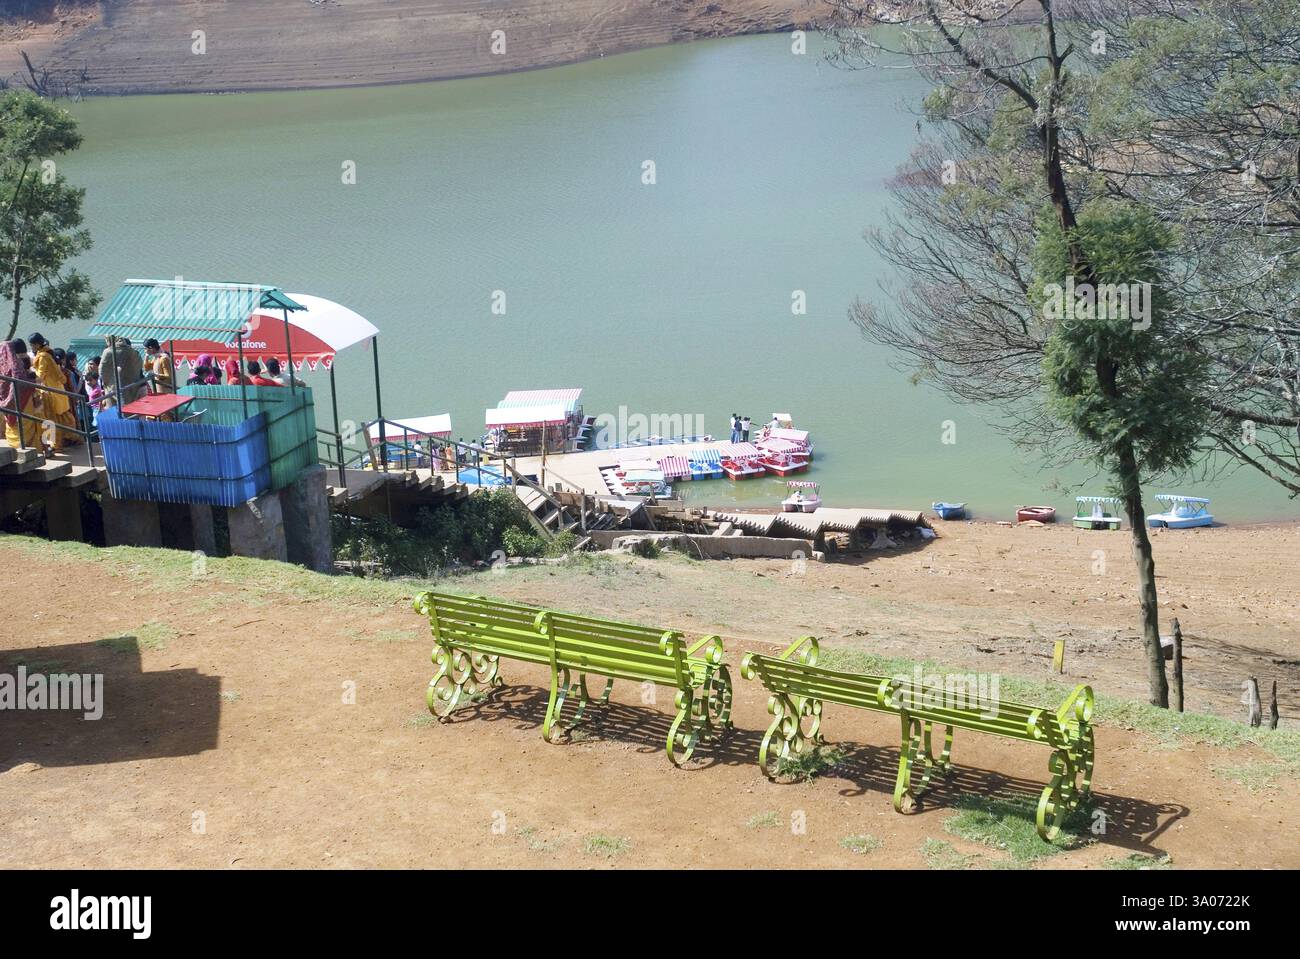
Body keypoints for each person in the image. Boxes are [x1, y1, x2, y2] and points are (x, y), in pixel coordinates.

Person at [28, 332, 78, 450]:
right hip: (57, 390)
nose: (31, 347)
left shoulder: (43, 356)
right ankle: (70, 438)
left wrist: (28, 371)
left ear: (36, 344)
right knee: (62, 417)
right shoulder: (47, 352)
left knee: (49, 420)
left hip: (50, 391)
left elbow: (40, 375)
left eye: (32, 344)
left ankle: (54, 445)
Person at [0, 339, 41, 448]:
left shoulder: (3, 364)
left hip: (7, 401)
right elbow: (20, 381)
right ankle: (28, 448)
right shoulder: (16, 364)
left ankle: (16, 446)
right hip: (24, 398)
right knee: (25, 423)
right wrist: (35, 382)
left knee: (14, 426)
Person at [100, 336, 145, 409]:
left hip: (114, 387)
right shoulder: (134, 352)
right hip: (133, 385)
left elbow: (102, 371)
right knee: (132, 410)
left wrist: (107, 383)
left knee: (117, 411)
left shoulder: (108, 352)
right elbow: (139, 367)